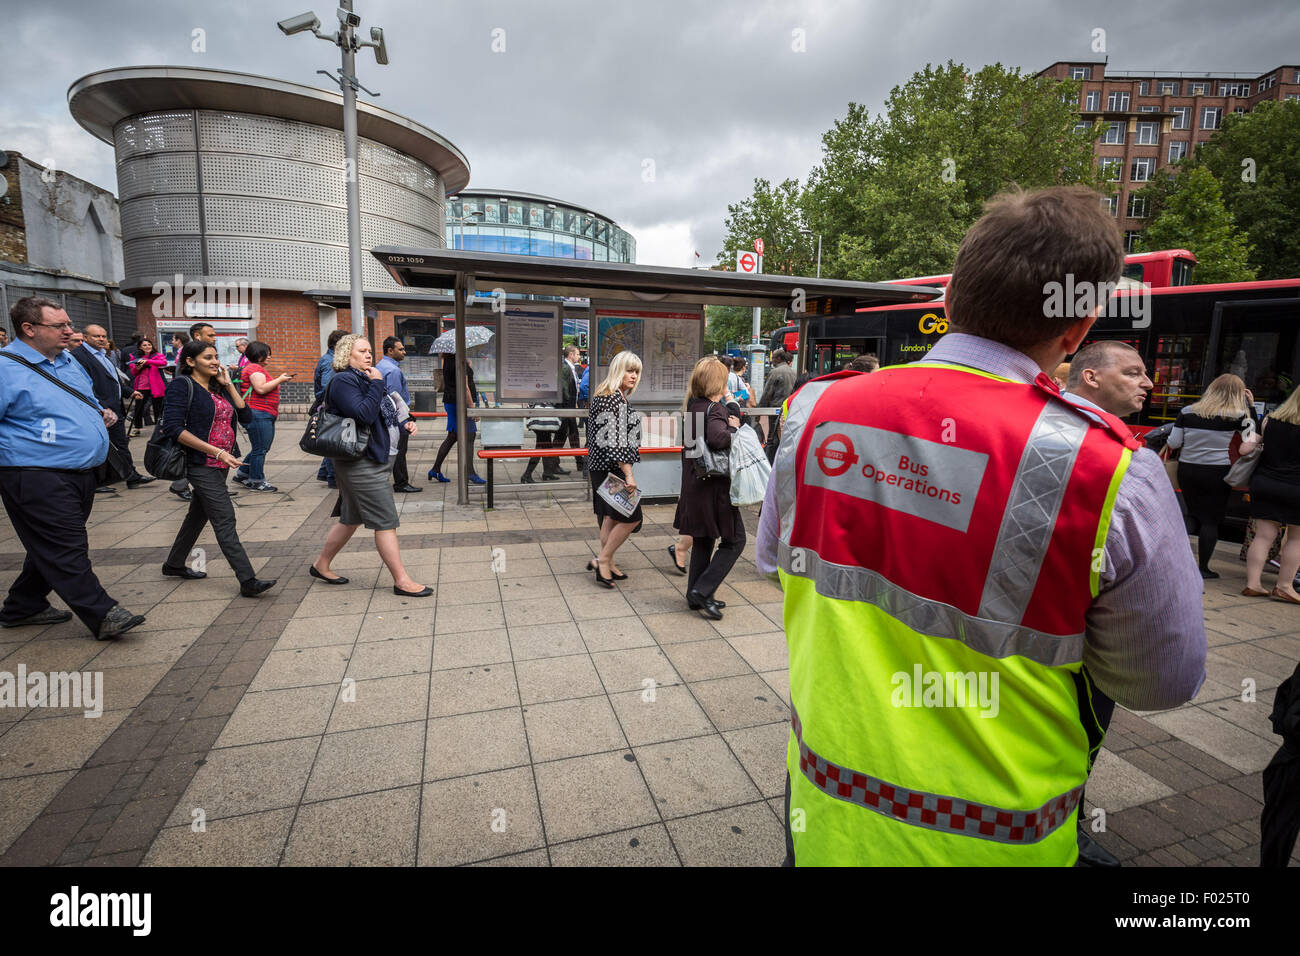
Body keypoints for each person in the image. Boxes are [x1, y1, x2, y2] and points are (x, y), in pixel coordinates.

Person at [755, 186, 1206, 866]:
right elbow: (1160, 681)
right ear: (1077, 331)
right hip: (993, 843)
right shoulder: (1106, 471)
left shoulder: (816, 412)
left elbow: (773, 561)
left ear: (947, 303)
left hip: (824, 816)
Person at [0, 297, 145, 640]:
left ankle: (23, 605)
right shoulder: (6, 369)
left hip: (80, 473)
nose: (69, 331)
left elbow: (85, 399)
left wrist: (100, 414)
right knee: (67, 545)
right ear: (29, 329)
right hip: (33, 474)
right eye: (60, 326)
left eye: (68, 324)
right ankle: (102, 612)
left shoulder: (66, 360)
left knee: (51, 543)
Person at [310, 334, 429, 596]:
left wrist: (405, 422)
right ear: (345, 355)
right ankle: (402, 581)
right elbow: (362, 413)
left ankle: (321, 564)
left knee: (351, 518)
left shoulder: (365, 378)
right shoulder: (344, 380)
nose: (368, 355)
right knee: (385, 520)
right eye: (361, 351)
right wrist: (376, 383)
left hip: (373, 457)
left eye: (369, 351)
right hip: (359, 461)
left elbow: (384, 412)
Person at [159, 339, 275, 598]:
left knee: (197, 517)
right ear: (190, 362)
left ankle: (174, 564)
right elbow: (174, 429)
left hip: (220, 463)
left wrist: (228, 385)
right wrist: (217, 451)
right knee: (224, 518)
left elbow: (245, 416)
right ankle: (247, 580)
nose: (215, 362)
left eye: (215, 357)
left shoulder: (216, 388)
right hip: (200, 463)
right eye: (208, 358)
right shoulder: (182, 385)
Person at [1167, 374, 1257, 579]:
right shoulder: (1239, 415)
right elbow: (1248, 446)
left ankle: (1174, 561)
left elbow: (1173, 443)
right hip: (1218, 472)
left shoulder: (1187, 412)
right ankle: (1203, 568)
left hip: (1187, 469)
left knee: (1189, 515)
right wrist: (1250, 409)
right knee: (1210, 520)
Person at [675, 356, 744, 619]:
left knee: (704, 541)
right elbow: (718, 439)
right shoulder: (715, 410)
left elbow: (694, 447)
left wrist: (730, 408)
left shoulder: (693, 407)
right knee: (736, 540)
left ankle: (695, 594)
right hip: (715, 488)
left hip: (696, 484)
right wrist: (733, 428)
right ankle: (703, 590)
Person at [71, 323, 154, 491]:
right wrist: (99, 407)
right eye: (96, 336)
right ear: (85, 338)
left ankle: (131, 475)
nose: (101, 339)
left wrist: (129, 392)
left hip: (114, 408)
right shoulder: (78, 356)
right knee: (99, 444)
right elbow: (84, 385)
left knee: (121, 442)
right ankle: (98, 481)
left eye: (103, 336)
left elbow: (113, 380)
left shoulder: (103, 355)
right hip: (99, 410)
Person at [585, 350, 643, 587]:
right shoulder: (614, 400)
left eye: (637, 372)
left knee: (609, 518)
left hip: (601, 468)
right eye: (630, 370)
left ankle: (607, 563)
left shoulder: (604, 395)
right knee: (631, 518)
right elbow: (617, 442)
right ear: (618, 369)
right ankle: (603, 559)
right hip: (613, 468)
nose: (633, 376)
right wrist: (628, 474)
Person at [1242, 387, 1300, 602]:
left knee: (1264, 536)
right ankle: (1284, 586)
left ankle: (1253, 584)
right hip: (1296, 488)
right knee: (1296, 537)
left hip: (1265, 483)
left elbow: (1246, 449)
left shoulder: (1269, 420)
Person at [233, 341, 292, 493]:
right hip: (259, 413)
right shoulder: (254, 368)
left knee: (259, 447)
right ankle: (256, 481)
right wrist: (280, 379)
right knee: (260, 449)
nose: (270, 356)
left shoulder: (254, 368)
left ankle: (243, 473)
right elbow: (260, 388)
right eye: (267, 353)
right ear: (259, 355)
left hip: (262, 413)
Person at [428, 352, 485, 485]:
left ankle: (435, 470)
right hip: (461, 404)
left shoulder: (448, 360)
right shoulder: (459, 363)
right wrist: (472, 409)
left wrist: (467, 365)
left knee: (453, 436)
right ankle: (470, 472)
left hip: (451, 402)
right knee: (470, 436)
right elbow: (465, 388)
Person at [1062, 341, 1153, 418]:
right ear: (1091, 378)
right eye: (1133, 373)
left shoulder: (1061, 418)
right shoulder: (1083, 433)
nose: (1149, 384)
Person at [377, 336, 421, 493]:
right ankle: (401, 482)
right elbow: (396, 398)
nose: (404, 352)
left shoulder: (380, 366)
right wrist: (404, 421)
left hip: (383, 415)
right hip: (397, 416)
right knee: (400, 449)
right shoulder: (393, 370)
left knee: (391, 448)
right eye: (400, 349)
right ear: (390, 350)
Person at [314, 329, 348, 489]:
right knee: (332, 442)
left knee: (331, 441)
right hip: (330, 409)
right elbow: (327, 388)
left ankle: (324, 473)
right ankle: (332, 477)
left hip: (329, 407)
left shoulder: (330, 359)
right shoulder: (330, 362)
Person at [759, 349, 797, 464]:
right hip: (790, 409)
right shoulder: (794, 372)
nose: (772, 361)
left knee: (772, 438)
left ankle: (770, 463)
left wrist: (760, 410)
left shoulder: (775, 372)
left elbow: (767, 393)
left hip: (775, 410)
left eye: (774, 358)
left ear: (779, 359)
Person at [129, 337, 167, 434]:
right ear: (140, 347)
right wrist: (138, 367)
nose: (147, 347)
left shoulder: (157, 355)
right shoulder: (134, 357)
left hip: (156, 386)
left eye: (149, 344)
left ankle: (160, 429)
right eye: (144, 345)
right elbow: (133, 372)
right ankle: (137, 428)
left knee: (158, 408)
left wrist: (147, 361)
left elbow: (163, 363)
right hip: (142, 386)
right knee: (138, 408)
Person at [557, 345, 583, 471]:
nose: (579, 356)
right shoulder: (565, 368)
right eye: (577, 354)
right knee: (570, 436)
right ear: (571, 355)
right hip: (567, 409)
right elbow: (564, 389)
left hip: (570, 408)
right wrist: (567, 406)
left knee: (565, 437)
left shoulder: (571, 368)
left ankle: (553, 466)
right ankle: (580, 464)